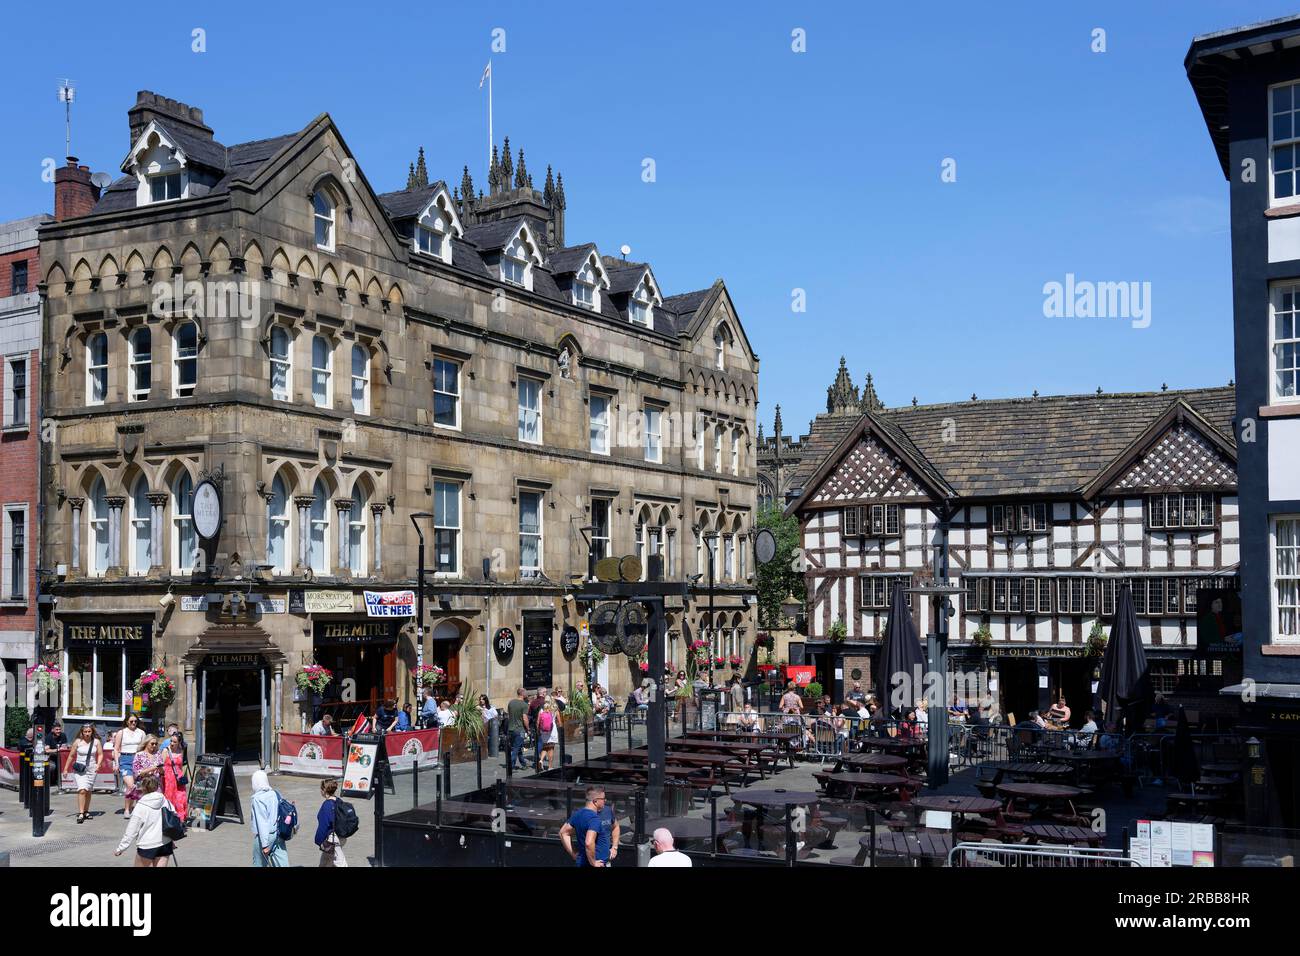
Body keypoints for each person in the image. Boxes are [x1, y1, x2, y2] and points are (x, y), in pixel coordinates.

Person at [113, 775, 176, 867]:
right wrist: (172, 839)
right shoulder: (165, 801)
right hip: (165, 843)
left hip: (147, 845)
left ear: (143, 788)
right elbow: (173, 820)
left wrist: (121, 848)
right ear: (157, 786)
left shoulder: (141, 806)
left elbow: (131, 830)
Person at [560, 785, 619, 867]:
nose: (605, 801)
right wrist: (593, 862)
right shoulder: (594, 819)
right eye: (603, 799)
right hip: (596, 864)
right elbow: (588, 842)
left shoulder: (578, 814)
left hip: (599, 862)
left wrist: (614, 847)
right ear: (595, 801)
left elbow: (563, 832)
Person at [64, 723, 103, 824]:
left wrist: (98, 764)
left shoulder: (96, 742)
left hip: (92, 769)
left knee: (88, 790)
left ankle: (86, 811)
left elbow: (100, 754)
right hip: (80, 769)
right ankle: (81, 813)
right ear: (82, 732)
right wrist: (65, 769)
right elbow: (71, 756)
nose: (87, 733)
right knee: (82, 790)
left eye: (89, 731)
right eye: (85, 732)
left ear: (92, 732)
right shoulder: (78, 742)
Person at [251, 769, 289, 867]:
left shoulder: (258, 799)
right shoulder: (275, 793)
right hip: (279, 833)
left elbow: (262, 823)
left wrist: (264, 845)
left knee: (259, 863)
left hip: (266, 836)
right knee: (282, 863)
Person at [112, 713, 146, 818]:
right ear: (127, 722)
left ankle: (133, 807)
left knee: (137, 787)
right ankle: (127, 810)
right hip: (125, 759)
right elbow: (116, 749)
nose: (133, 723)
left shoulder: (141, 733)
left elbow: (144, 748)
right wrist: (116, 763)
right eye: (131, 721)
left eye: (135, 721)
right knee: (131, 785)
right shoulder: (121, 732)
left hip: (138, 759)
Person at [314, 778, 348, 867]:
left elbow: (323, 826)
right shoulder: (338, 801)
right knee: (325, 862)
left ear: (324, 790)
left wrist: (318, 841)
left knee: (340, 863)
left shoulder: (327, 805)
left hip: (332, 840)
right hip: (342, 835)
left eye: (321, 789)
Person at [162, 732, 189, 822]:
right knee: (170, 798)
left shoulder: (181, 750)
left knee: (181, 798)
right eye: (171, 741)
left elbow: (182, 765)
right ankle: (170, 820)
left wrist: (183, 776)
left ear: (179, 742)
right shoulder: (166, 750)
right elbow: (161, 765)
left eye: (174, 742)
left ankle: (181, 819)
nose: (172, 743)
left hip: (178, 778)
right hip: (168, 778)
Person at [507, 688, 530, 770]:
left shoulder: (511, 702)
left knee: (518, 747)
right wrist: (528, 729)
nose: (527, 694)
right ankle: (511, 766)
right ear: (523, 694)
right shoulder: (524, 705)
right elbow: (525, 718)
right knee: (516, 748)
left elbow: (509, 715)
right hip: (520, 730)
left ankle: (523, 764)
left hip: (511, 729)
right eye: (526, 693)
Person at [218, 677, 241, 753]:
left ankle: (226, 747)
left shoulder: (222, 692)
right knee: (232, 732)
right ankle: (232, 748)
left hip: (225, 714)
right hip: (232, 714)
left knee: (226, 732)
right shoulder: (235, 692)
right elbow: (239, 697)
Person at [537, 699, 560, 772]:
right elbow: (560, 722)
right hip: (552, 731)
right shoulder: (555, 710)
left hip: (543, 731)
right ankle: (550, 766)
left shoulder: (541, 710)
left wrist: (538, 730)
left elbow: (538, 722)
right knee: (551, 748)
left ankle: (541, 760)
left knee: (545, 747)